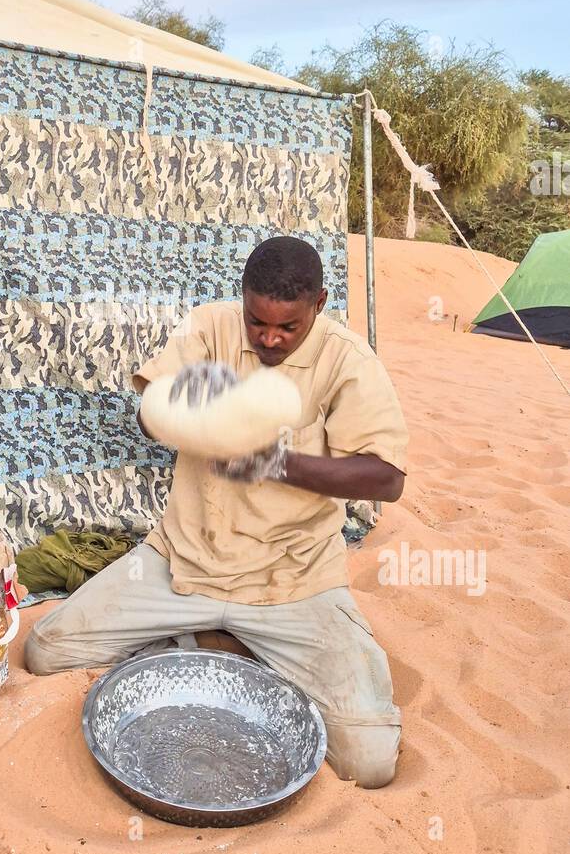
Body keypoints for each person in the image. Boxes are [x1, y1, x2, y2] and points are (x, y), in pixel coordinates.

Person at [25, 236, 409, 788]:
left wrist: (271, 461)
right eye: (257, 322)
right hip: (184, 562)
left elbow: (387, 479)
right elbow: (147, 418)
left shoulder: (346, 360)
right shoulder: (207, 327)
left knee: (370, 762)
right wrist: (185, 412)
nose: (270, 338)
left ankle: (227, 640)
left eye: (288, 328)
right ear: (242, 299)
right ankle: (212, 636)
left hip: (292, 580)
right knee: (46, 649)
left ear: (320, 304)